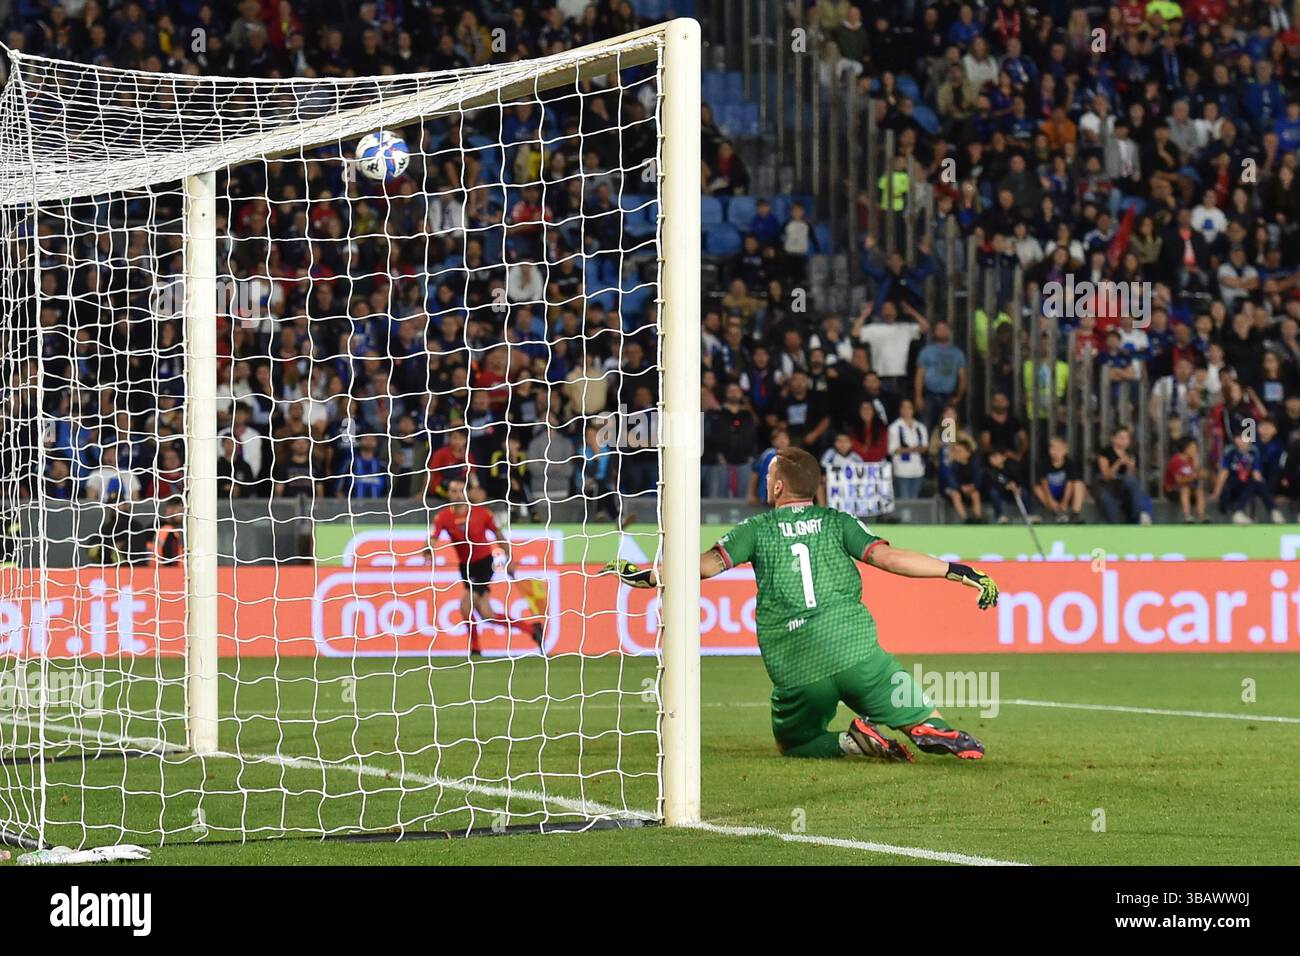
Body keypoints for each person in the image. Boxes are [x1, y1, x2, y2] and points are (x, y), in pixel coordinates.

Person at [604, 446, 996, 762]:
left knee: (792, 743)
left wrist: (649, 576)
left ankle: (850, 742)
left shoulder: (754, 529)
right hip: (856, 651)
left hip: (798, 667)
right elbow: (889, 559)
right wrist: (955, 570)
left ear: (777, 488)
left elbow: (704, 567)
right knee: (924, 716)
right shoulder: (839, 521)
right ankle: (924, 726)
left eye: (770, 476)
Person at [425, 478, 542, 655]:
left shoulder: (481, 513)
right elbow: (433, 537)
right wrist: (428, 550)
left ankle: (475, 648)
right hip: (465, 566)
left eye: (460, 491)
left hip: (483, 563)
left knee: (465, 606)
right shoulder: (444, 516)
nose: (457, 495)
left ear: (467, 493)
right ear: (448, 495)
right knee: (487, 614)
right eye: (453, 491)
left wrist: (509, 558)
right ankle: (532, 629)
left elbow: (498, 535)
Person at [1095, 426, 1153, 525]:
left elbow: (1132, 479)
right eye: (1121, 437)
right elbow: (1106, 476)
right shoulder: (1105, 452)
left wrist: (1130, 467)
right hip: (1108, 486)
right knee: (1106, 498)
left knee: (1140, 493)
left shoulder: (1131, 454)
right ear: (1113, 439)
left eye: (1126, 438)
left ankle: (1141, 516)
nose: (1124, 441)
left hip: (1124, 486)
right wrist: (1118, 463)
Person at [1035, 435, 1086, 523]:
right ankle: (1056, 512)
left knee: (1079, 484)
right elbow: (1044, 484)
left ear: (1065, 451)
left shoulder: (1070, 464)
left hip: (1065, 492)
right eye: (1053, 449)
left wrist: (1065, 502)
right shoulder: (1043, 463)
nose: (1055, 452)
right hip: (1051, 492)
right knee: (1036, 488)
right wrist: (1051, 501)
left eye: (1059, 449)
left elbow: (1069, 485)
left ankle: (1075, 514)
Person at [887, 399, 928, 499]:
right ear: (900, 410)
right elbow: (892, 449)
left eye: (909, 407)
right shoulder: (894, 427)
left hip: (918, 470)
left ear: (913, 410)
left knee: (914, 499)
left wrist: (914, 449)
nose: (906, 410)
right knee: (904, 500)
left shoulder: (920, 427)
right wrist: (912, 449)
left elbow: (925, 447)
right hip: (901, 471)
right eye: (904, 408)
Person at [1163, 437, 1208, 523]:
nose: (1195, 450)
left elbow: (1200, 474)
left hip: (1189, 486)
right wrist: (1194, 476)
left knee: (1199, 490)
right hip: (1172, 489)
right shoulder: (1175, 460)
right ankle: (1187, 516)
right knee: (1185, 489)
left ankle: (1202, 515)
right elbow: (1179, 480)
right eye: (1193, 447)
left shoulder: (1192, 459)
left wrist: (1198, 469)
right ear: (1186, 448)